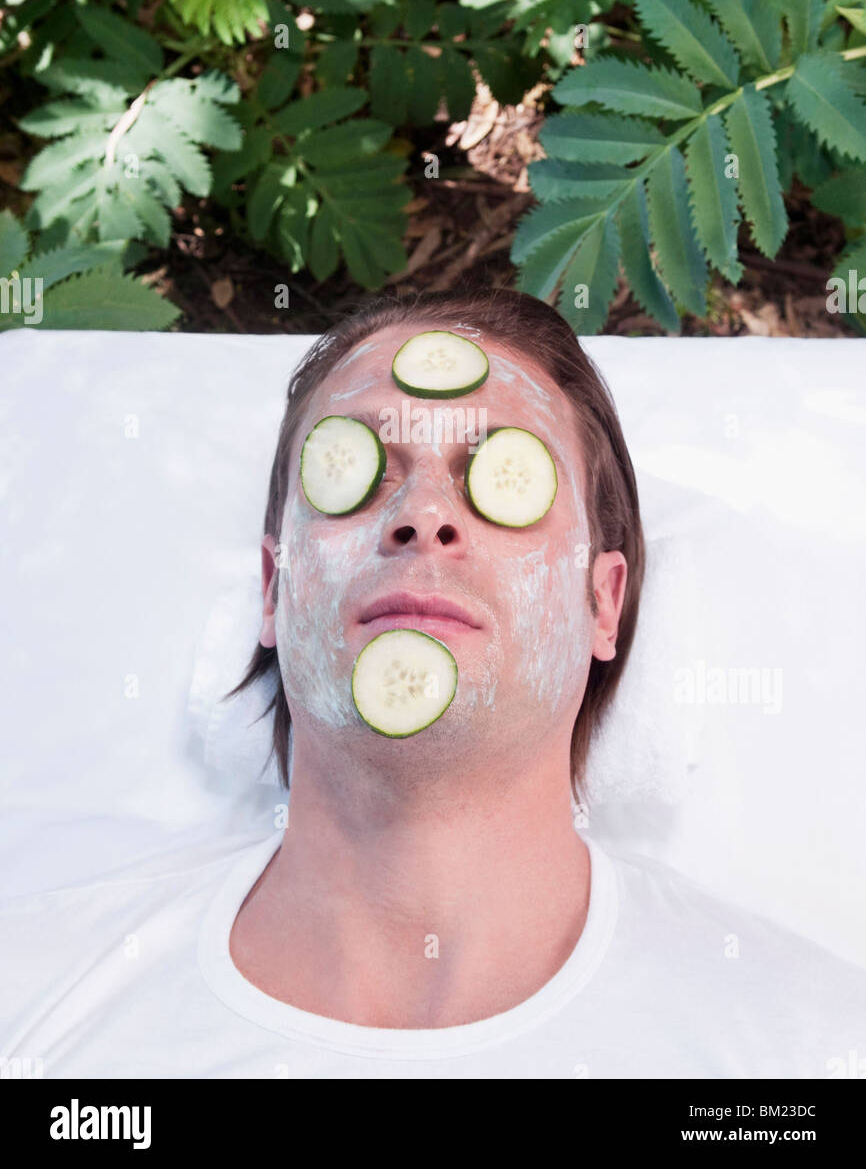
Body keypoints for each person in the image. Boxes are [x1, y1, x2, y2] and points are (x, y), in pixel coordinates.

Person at [2, 288, 865, 1079]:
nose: (424, 514)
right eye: (360, 468)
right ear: (273, 590)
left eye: (500, 478)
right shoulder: (33, 996)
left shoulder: (807, 1047)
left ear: (603, 605)